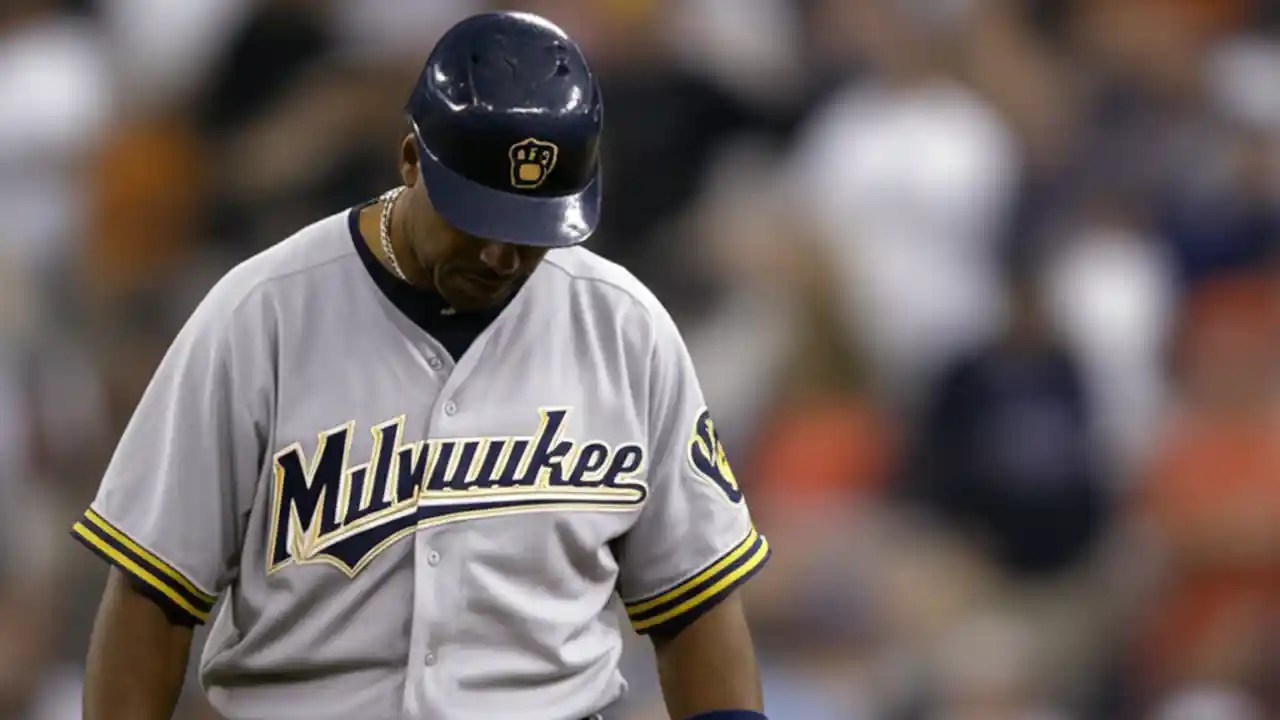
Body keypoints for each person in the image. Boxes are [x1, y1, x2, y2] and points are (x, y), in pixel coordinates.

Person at [71, 12, 771, 720]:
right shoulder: (263, 312)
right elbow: (153, 594)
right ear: (411, 158)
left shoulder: (624, 328)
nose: (501, 256)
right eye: (479, 220)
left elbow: (694, 605)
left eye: (531, 231)